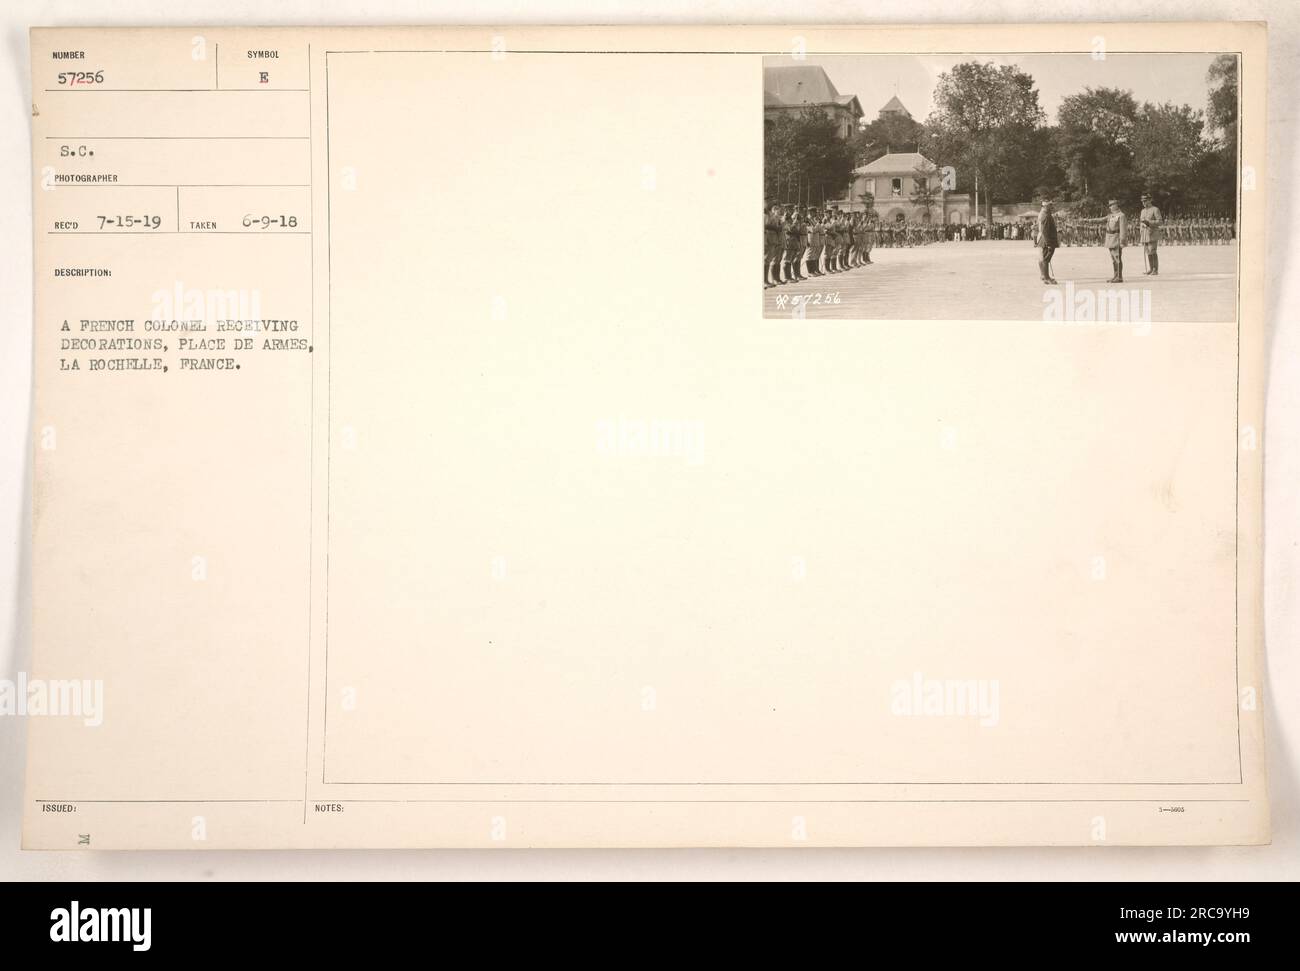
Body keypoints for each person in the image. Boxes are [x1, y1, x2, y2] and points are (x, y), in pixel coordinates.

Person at [1102, 198, 1127, 283]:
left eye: (1111, 205)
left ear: (1116, 205)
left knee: (1117, 259)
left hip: (1117, 239)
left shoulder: (1121, 215)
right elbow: (1101, 220)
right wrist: (1087, 220)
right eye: (1109, 206)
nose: (1110, 207)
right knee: (1113, 259)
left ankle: (1119, 277)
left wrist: (1122, 241)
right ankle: (1115, 275)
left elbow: (1123, 230)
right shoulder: (1111, 215)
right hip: (1110, 239)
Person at [1036, 198, 1059, 284]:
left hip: (1044, 239)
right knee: (1046, 258)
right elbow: (1045, 230)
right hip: (1047, 240)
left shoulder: (1044, 214)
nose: (1051, 207)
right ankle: (1047, 278)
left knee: (1043, 258)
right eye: (1050, 205)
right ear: (1045, 206)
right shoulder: (1045, 215)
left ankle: (1043, 275)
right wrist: (1049, 244)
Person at [1138, 192, 1162, 275]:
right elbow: (1141, 222)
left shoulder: (1155, 209)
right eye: (1142, 201)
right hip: (1145, 234)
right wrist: (1141, 230)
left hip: (1152, 233)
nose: (1143, 203)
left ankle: (1155, 269)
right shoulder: (1142, 211)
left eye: (1145, 201)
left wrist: (1149, 222)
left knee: (1153, 251)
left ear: (1150, 200)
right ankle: (1151, 268)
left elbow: (1160, 222)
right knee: (1148, 252)